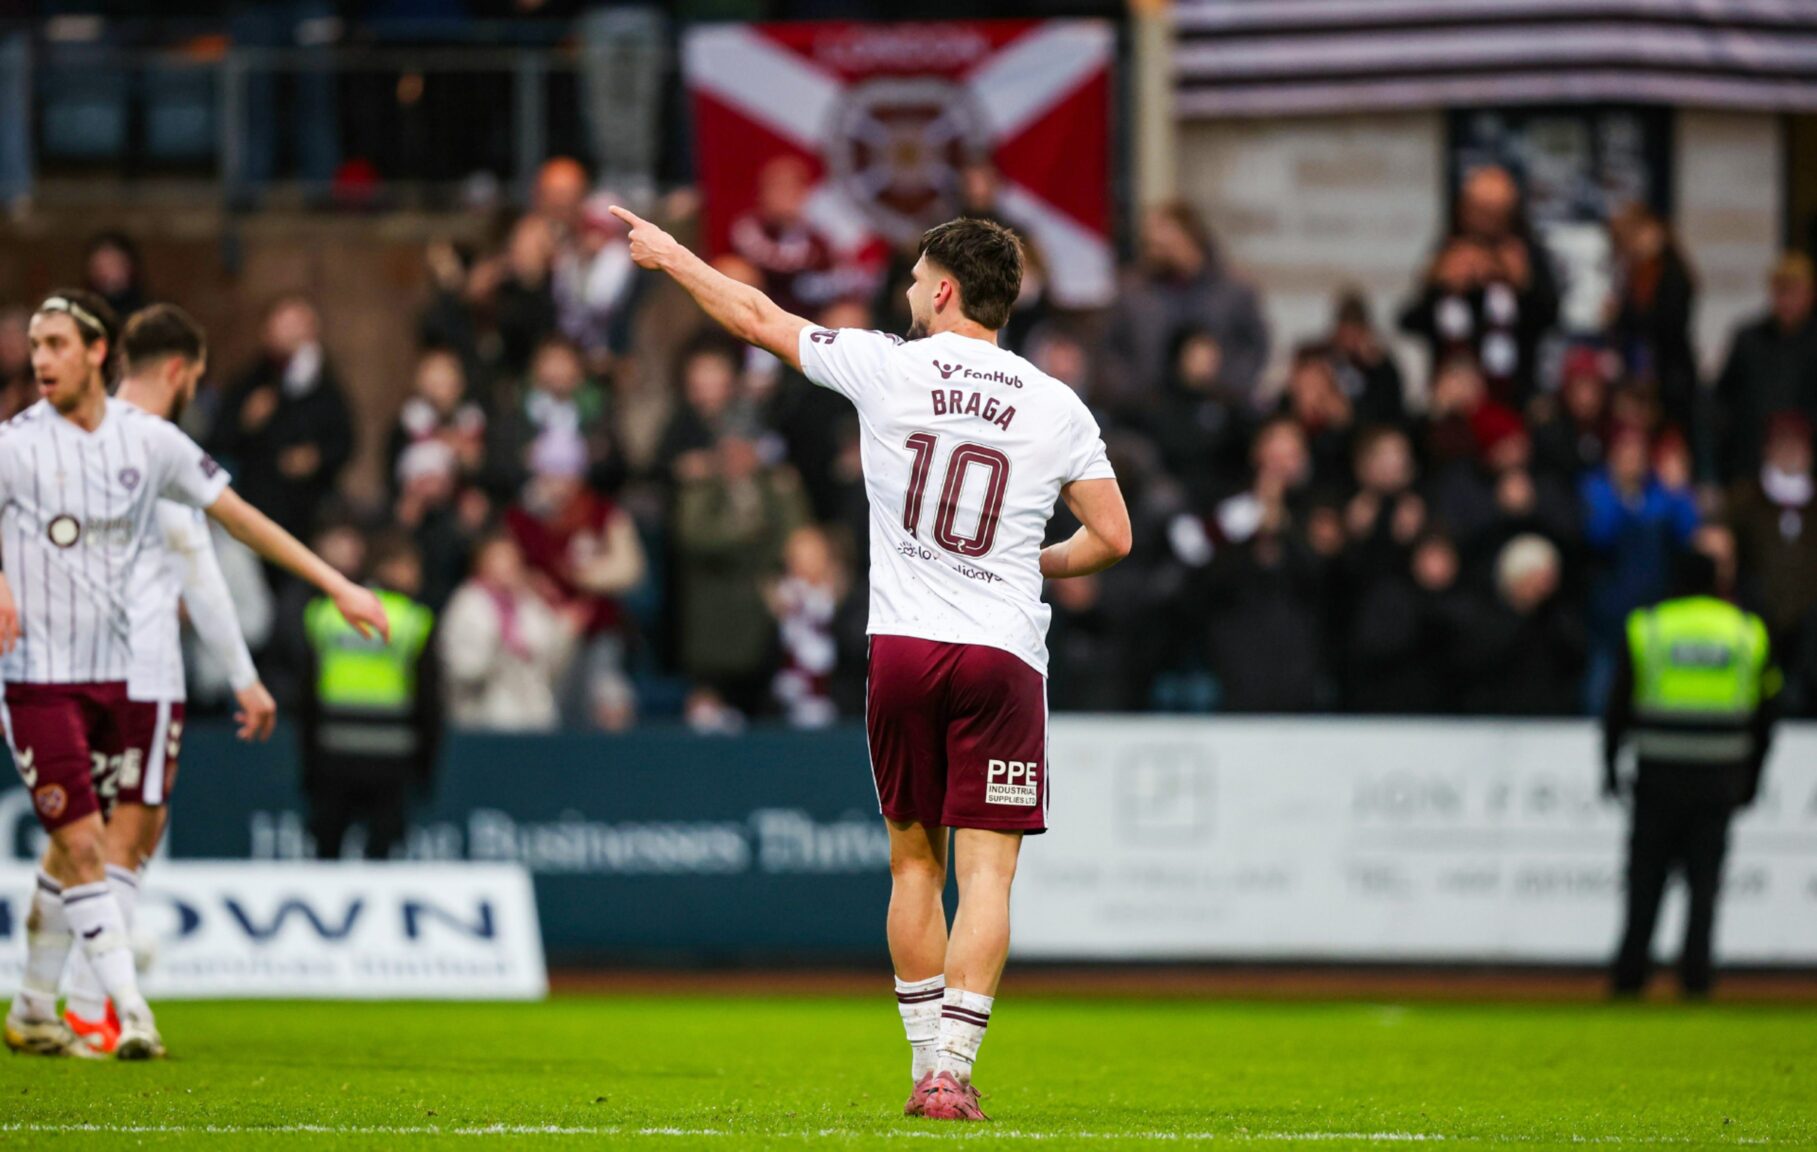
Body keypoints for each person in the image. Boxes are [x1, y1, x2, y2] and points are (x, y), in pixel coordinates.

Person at [613, 206, 1130, 1120]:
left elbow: (754, 317)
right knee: (992, 876)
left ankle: (921, 1063)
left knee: (912, 868)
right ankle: (955, 1073)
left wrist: (670, 256)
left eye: (913, 278)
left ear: (942, 289)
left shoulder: (887, 365)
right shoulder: (1054, 403)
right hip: (1002, 653)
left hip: (902, 648)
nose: (903, 293)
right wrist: (1031, 560)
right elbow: (1113, 537)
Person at [1, 289, 386, 1061]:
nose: (39, 360)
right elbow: (194, 565)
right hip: (42, 678)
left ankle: (38, 1007)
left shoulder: (152, 445)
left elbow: (236, 522)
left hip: (119, 680)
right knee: (88, 842)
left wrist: (336, 584)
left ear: (98, 352)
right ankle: (117, 1011)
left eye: (55, 345)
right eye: (34, 346)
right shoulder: (14, 444)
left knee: (99, 840)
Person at [56, 304, 280, 1056]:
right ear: (180, 370)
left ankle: (42, 1000)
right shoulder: (154, 445)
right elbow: (200, 564)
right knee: (130, 832)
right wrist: (244, 675)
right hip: (139, 672)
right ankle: (91, 1007)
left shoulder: (68, 435)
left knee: (80, 839)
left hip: (65, 669)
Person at [1604, 549, 1780, 999]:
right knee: (1704, 886)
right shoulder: (1745, 631)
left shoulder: (1650, 628)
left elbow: (1617, 704)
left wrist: (1608, 766)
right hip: (1719, 777)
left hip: (1658, 774)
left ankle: (1630, 976)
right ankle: (1697, 978)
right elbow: (1767, 713)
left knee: (1645, 881)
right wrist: (1753, 777)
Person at [299, 534, 439, 861]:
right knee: (382, 857)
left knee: (326, 853)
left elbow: (306, 695)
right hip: (391, 757)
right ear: (388, 566)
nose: (416, 575)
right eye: (410, 566)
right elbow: (429, 702)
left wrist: (307, 761)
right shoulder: (414, 620)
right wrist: (425, 767)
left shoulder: (325, 614)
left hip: (330, 753)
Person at [204, 294, 354, 544]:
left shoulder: (324, 385)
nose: (291, 334)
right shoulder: (251, 382)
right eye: (284, 324)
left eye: (298, 325)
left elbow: (344, 439)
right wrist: (246, 422)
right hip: (257, 507)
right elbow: (218, 440)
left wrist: (315, 457)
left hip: (310, 511)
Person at [440, 531, 578, 732]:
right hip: (484, 717)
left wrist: (565, 631)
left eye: (512, 558)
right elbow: (462, 668)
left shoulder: (529, 603)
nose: (508, 565)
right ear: (481, 562)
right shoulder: (467, 604)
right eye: (499, 557)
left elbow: (550, 660)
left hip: (531, 716)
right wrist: (500, 650)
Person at [1712, 253, 1817, 482]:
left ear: (1810, 295)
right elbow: (1722, 400)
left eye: (1795, 292)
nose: (1788, 301)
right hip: (1751, 466)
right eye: (1782, 291)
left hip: (1808, 471)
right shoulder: (1748, 339)